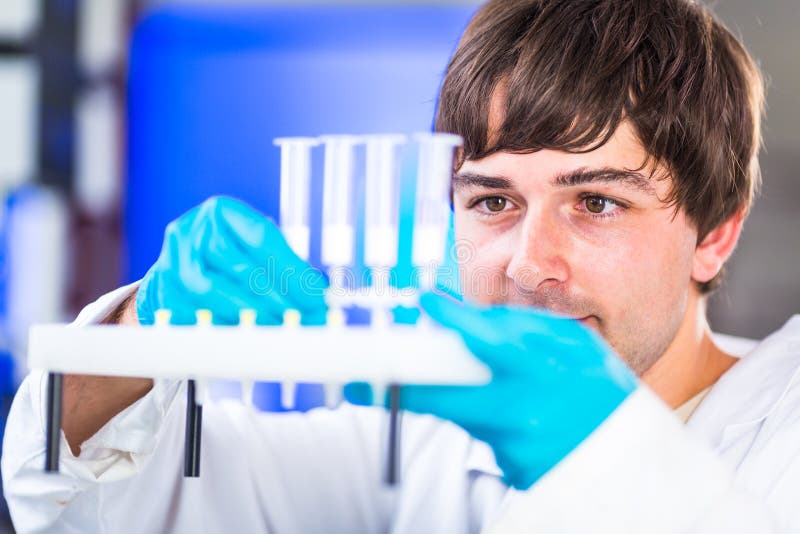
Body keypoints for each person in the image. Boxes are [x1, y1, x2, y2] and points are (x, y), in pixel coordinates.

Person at [4, 0, 798, 532]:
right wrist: (142, 335)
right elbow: (94, 508)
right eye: (492, 202)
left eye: (595, 202)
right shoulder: (429, 442)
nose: (528, 264)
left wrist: (601, 449)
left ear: (716, 234)